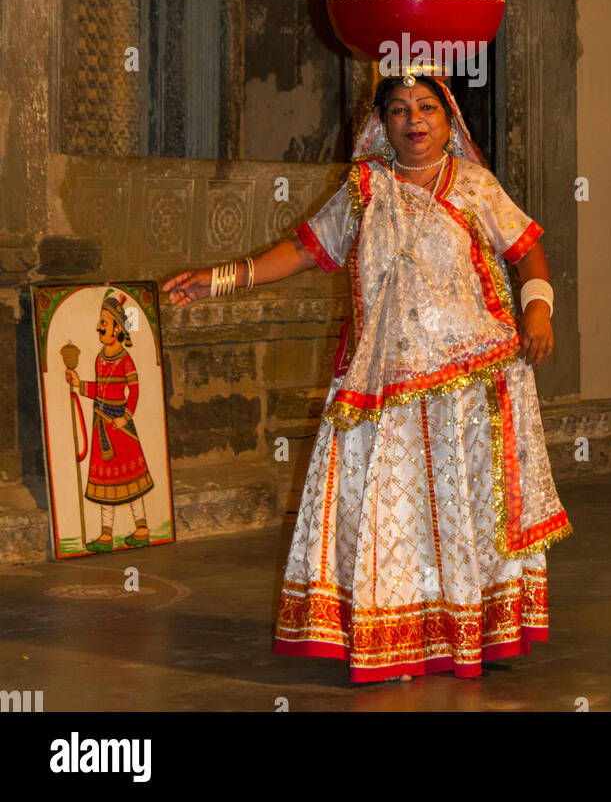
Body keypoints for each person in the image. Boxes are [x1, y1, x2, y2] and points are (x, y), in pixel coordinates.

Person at [163, 75, 571, 681]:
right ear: (382, 123)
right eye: (401, 109)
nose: (415, 120)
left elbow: (525, 248)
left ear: (447, 118)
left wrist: (538, 305)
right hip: (384, 380)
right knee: (389, 512)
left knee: (467, 511)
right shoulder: (363, 188)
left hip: (471, 379)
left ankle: (474, 632)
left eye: (428, 107)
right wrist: (219, 279)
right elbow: (303, 252)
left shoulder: (475, 185)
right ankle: (397, 638)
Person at [65, 288, 154, 551]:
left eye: (103, 323)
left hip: (119, 424)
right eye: (99, 322)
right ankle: (106, 535)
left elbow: (134, 391)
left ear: (116, 329)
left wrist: (125, 417)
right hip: (101, 423)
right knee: (104, 481)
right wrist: (80, 384)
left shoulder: (125, 360)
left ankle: (142, 528)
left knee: (132, 481)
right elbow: (100, 390)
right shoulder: (99, 358)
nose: (98, 327)